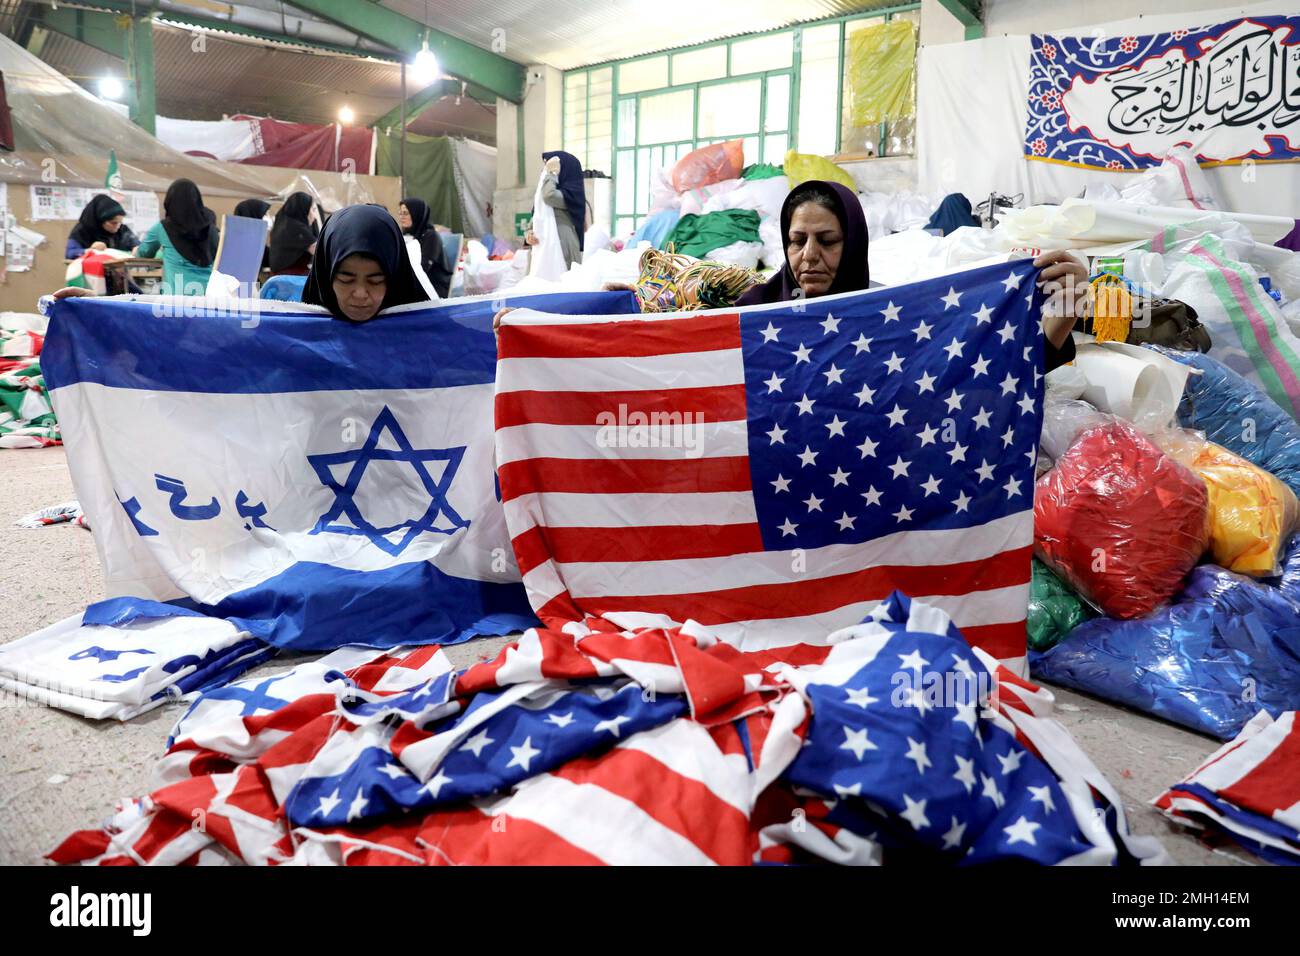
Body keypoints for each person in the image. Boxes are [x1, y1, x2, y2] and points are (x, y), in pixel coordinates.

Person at [736, 179, 1084, 371]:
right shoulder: (750, 313)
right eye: (797, 241)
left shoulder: (890, 314)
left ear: (855, 243)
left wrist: (1063, 318)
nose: (809, 256)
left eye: (827, 241)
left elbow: (985, 372)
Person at [301, 204, 430, 323]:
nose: (360, 295)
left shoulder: (425, 334)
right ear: (324, 275)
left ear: (395, 276)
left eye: (376, 281)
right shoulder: (299, 334)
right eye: (346, 279)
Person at [135, 178, 219, 295]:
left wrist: (136, 250)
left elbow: (144, 253)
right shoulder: (211, 228)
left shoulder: (163, 227)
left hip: (177, 298)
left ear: (170, 201)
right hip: (210, 294)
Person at [537, 150, 586, 270]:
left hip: (562, 246)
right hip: (544, 246)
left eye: (549, 165)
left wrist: (551, 174)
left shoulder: (572, 196)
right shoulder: (547, 187)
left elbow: (549, 196)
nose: (545, 169)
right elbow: (537, 212)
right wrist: (529, 233)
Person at [397, 197, 451, 298]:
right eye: (400, 213)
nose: (401, 217)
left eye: (405, 213)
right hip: (414, 282)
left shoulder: (431, 236)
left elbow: (423, 268)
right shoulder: (407, 236)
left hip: (433, 286)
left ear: (416, 213)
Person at [65, 194, 138, 258]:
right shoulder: (82, 231)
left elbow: (137, 245)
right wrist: (90, 251)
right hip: (90, 271)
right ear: (100, 221)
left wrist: (138, 249)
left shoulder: (123, 230)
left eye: (120, 222)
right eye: (114, 223)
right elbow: (69, 253)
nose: (118, 226)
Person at [268, 191, 319, 276]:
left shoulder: (283, 223)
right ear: (303, 209)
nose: (314, 216)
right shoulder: (296, 228)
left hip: (280, 276)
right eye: (313, 210)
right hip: (289, 279)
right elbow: (320, 251)